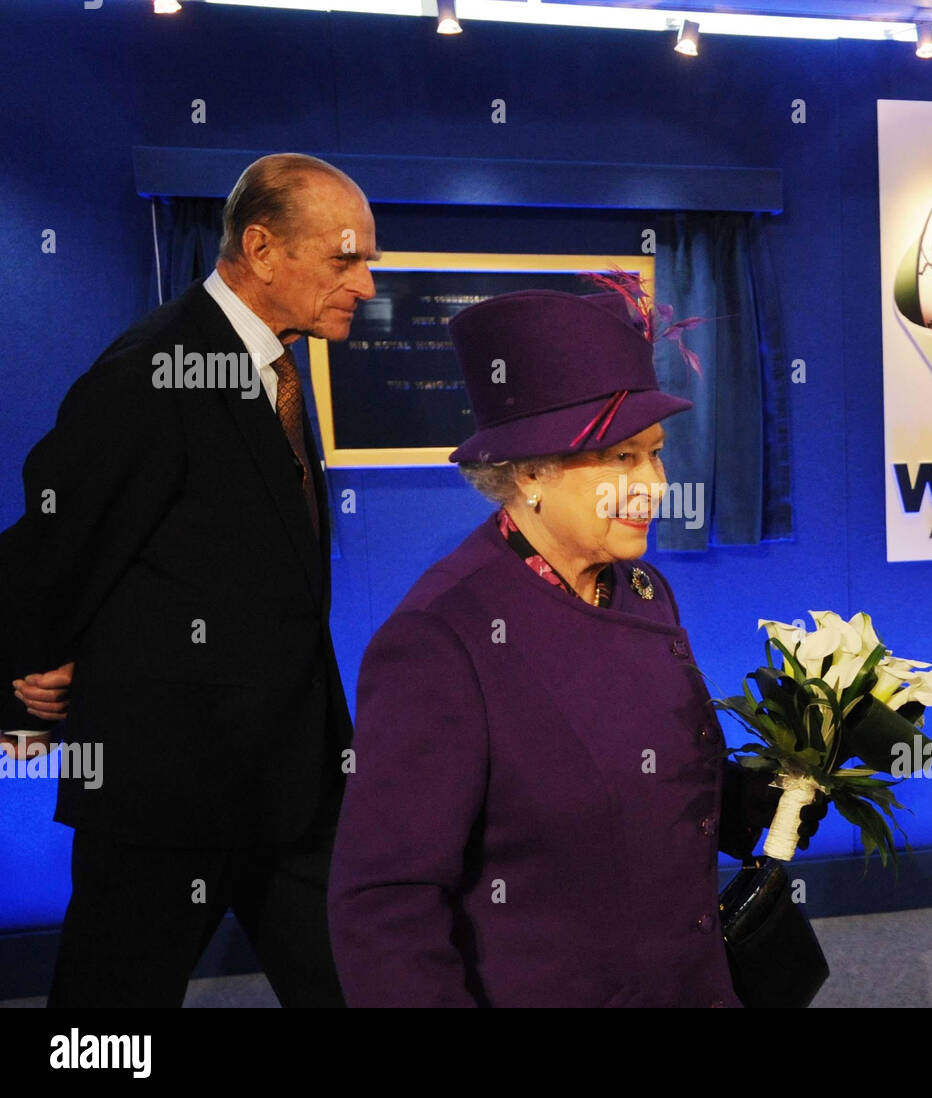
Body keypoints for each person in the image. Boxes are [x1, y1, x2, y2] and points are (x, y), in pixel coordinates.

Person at [327, 286, 819, 1007]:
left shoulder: (645, 589)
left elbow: (660, 786)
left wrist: (763, 801)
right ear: (529, 472)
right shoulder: (438, 641)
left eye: (656, 455)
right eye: (623, 459)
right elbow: (384, 904)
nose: (654, 487)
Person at [0, 152, 377, 1006]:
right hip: (165, 793)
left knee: (353, 984)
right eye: (345, 258)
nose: (364, 282)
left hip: (294, 785)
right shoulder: (153, 369)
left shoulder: (276, 365)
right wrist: (25, 685)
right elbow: (52, 541)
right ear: (262, 248)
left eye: (369, 262)